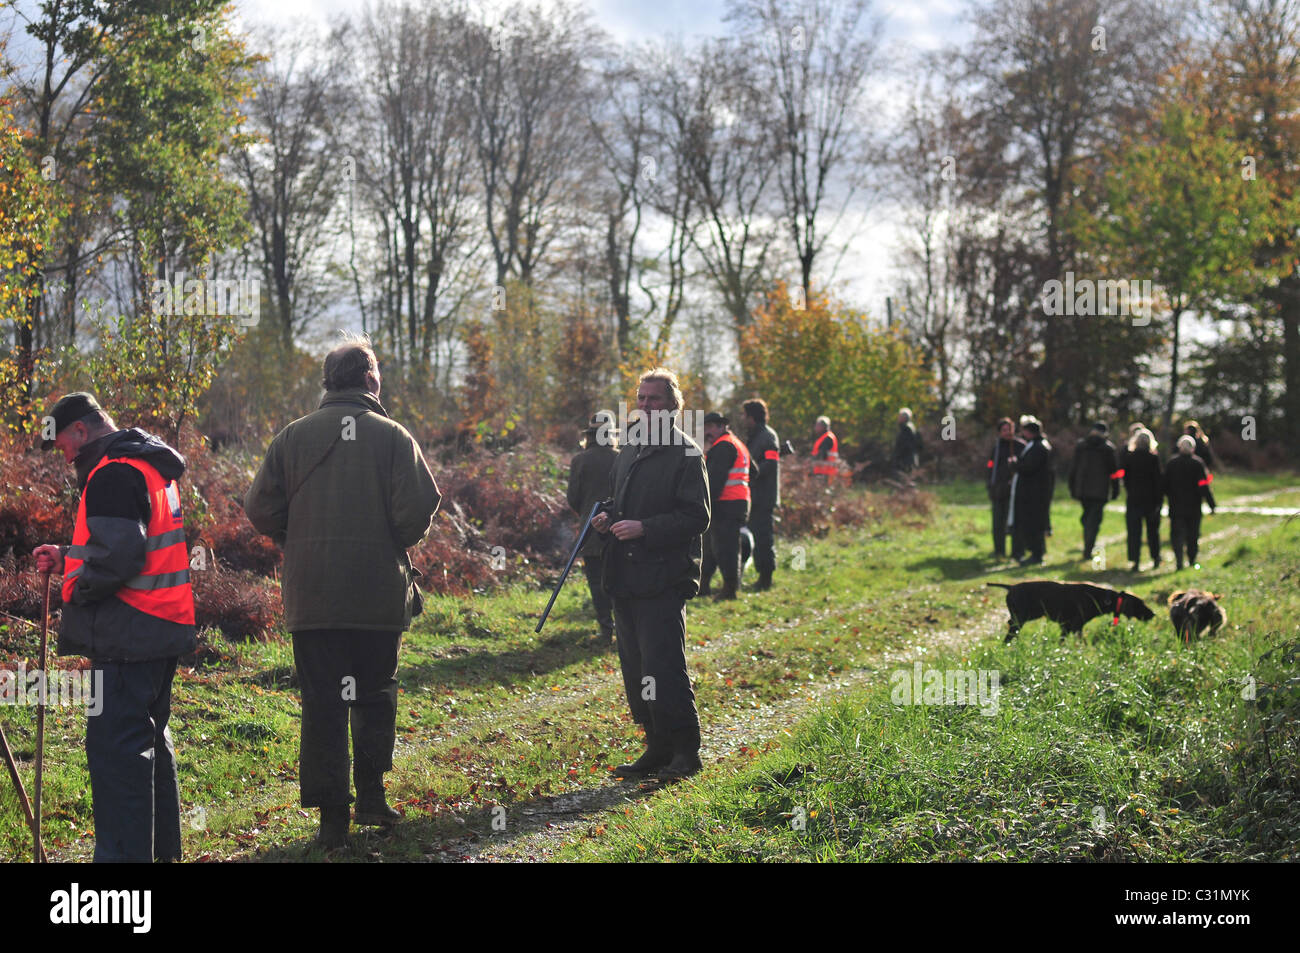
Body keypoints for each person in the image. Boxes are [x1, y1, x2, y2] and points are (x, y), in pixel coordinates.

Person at [245, 334, 440, 847]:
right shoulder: (395, 437)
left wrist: (300, 536)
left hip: (313, 596)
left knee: (323, 704)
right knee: (375, 695)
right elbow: (417, 509)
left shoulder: (291, 437)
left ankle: (333, 821)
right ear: (371, 378)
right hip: (376, 595)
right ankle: (373, 797)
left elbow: (260, 510)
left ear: (327, 382)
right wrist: (390, 541)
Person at [33, 392, 196, 862]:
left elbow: (118, 558)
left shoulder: (111, 473)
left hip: (130, 637)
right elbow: (130, 547)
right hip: (161, 629)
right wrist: (70, 556)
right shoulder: (148, 466)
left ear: (82, 432)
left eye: (63, 446)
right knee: (151, 750)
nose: (65, 457)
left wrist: (73, 586)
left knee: (118, 760)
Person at [592, 368, 709, 780]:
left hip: (663, 576)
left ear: (673, 405)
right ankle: (656, 745)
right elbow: (616, 500)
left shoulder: (686, 452)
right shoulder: (630, 449)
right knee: (637, 666)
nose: (645, 405)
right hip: (623, 575)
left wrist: (646, 528)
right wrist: (607, 516)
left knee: (663, 665)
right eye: (641, 398)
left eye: (654, 399)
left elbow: (699, 516)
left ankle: (686, 751)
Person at [566, 412, 619, 642]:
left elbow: (573, 498)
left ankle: (606, 629)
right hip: (619, 528)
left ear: (590, 436)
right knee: (618, 579)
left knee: (596, 582)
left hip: (590, 530)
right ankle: (624, 628)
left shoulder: (580, 460)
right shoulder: (622, 457)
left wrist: (586, 513)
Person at [699, 412, 755, 601]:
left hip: (725, 504)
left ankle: (730, 590)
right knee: (712, 546)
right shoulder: (737, 444)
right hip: (735, 502)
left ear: (721, 426)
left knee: (726, 548)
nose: (706, 432)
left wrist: (705, 504)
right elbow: (754, 471)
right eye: (704, 428)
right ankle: (704, 586)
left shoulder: (723, 447)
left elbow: (714, 482)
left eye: (709, 427)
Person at [1068, 422, 1121, 562]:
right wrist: (1116, 489)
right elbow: (1114, 472)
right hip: (1100, 490)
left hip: (1083, 488)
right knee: (1094, 520)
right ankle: (1088, 546)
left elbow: (1073, 468)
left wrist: (1072, 487)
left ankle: (1088, 543)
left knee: (1086, 518)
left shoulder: (1081, 446)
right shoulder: (1108, 448)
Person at [743, 398, 780, 591]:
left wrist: (751, 471)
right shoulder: (756, 436)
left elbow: (771, 463)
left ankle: (766, 578)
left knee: (764, 539)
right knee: (758, 538)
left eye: (745, 415)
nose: (743, 419)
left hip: (763, 497)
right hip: (756, 496)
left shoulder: (767, 436)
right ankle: (762, 576)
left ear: (752, 417)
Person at [1008, 415, 1054, 566]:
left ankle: (1036, 554)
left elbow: (1029, 468)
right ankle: (1036, 552)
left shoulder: (1039, 447)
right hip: (1034, 492)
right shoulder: (1035, 445)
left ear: (1030, 432)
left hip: (1035, 493)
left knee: (1034, 524)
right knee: (1032, 523)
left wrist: (1015, 465)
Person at [1165, 434, 1216, 571]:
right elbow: (1204, 486)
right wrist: (1211, 504)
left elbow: (1165, 485)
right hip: (1193, 507)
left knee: (1177, 535)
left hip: (1175, 506)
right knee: (1192, 535)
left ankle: (1179, 561)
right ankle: (1192, 559)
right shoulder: (1198, 464)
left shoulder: (1171, 463)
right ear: (1193, 449)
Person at [1122, 428, 1163, 572]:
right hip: (1150, 501)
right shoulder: (1153, 459)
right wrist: (1159, 501)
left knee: (1134, 532)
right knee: (1153, 532)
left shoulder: (1129, 458)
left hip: (1134, 499)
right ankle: (1156, 557)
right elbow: (1158, 481)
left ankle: (1135, 560)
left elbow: (1125, 480)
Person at [987, 417, 1025, 559]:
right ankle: (999, 551)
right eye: (1004, 430)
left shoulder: (1020, 446)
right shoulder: (996, 448)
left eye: (1010, 429)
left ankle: (1017, 552)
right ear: (999, 432)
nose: (1008, 432)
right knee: (998, 523)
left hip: (1014, 491)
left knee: (1015, 523)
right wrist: (990, 484)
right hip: (998, 490)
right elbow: (990, 466)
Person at [892, 408, 922, 477]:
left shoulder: (907, 429)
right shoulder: (910, 428)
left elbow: (905, 446)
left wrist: (897, 457)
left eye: (899, 416)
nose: (898, 418)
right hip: (908, 459)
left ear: (904, 418)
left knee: (906, 479)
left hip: (906, 461)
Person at [812, 415, 840, 485]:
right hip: (825, 471)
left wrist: (810, 461)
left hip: (824, 472)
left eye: (817, 425)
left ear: (823, 426)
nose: (815, 427)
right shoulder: (825, 437)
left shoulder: (828, 438)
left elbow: (822, 455)